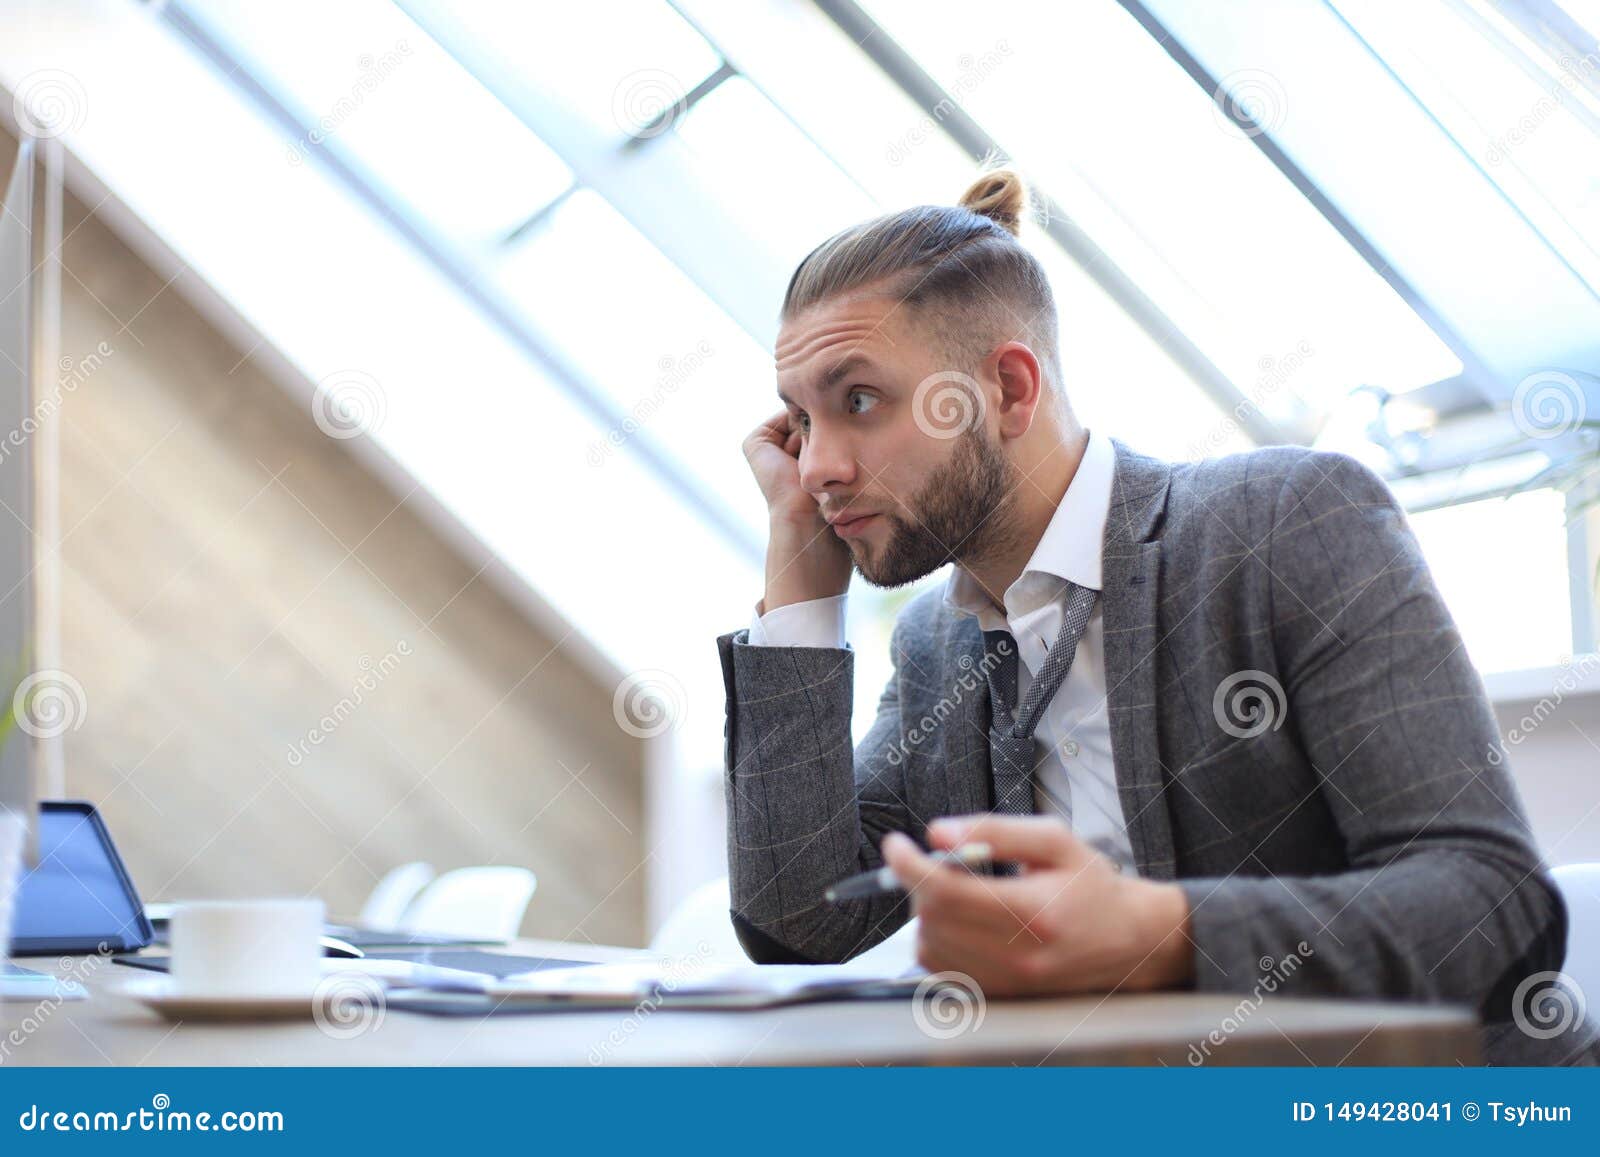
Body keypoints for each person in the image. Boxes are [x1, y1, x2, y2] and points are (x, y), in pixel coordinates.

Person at [716, 168, 1598, 1065]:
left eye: (858, 400)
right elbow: (800, 918)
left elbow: (1492, 907)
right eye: (799, 421)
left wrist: (1161, 932)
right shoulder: (939, 646)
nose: (818, 465)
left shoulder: (1285, 522)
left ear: (1012, 390)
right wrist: (800, 585)